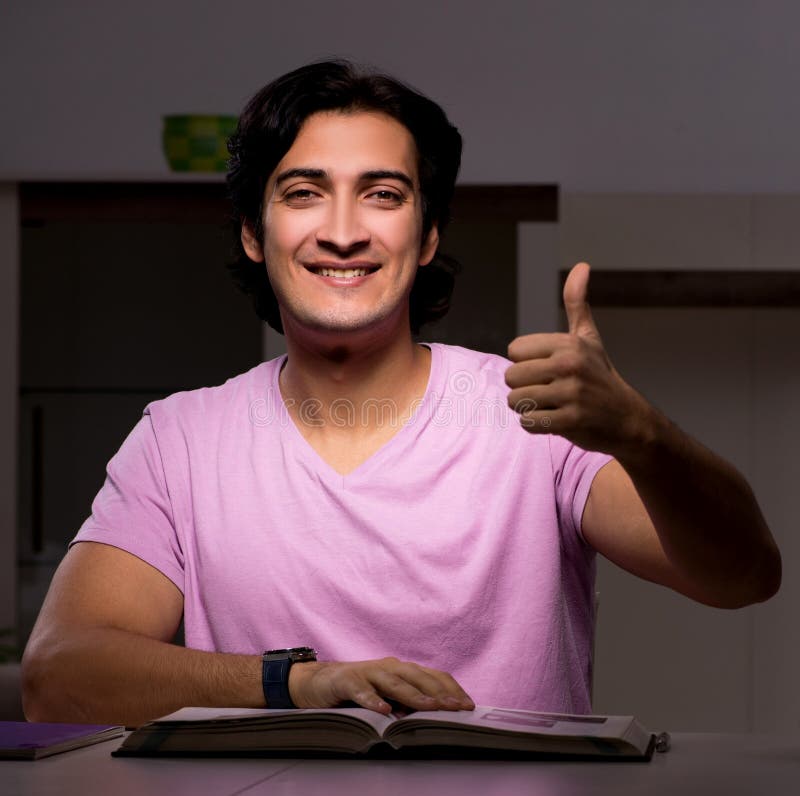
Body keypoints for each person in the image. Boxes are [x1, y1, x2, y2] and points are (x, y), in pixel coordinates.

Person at [22, 60, 781, 727]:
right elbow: (59, 677)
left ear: (426, 237)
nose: (343, 231)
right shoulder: (180, 440)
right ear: (254, 232)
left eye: (382, 194)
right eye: (304, 192)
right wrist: (301, 683)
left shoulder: (536, 414)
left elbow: (744, 577)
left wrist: (642, 433)